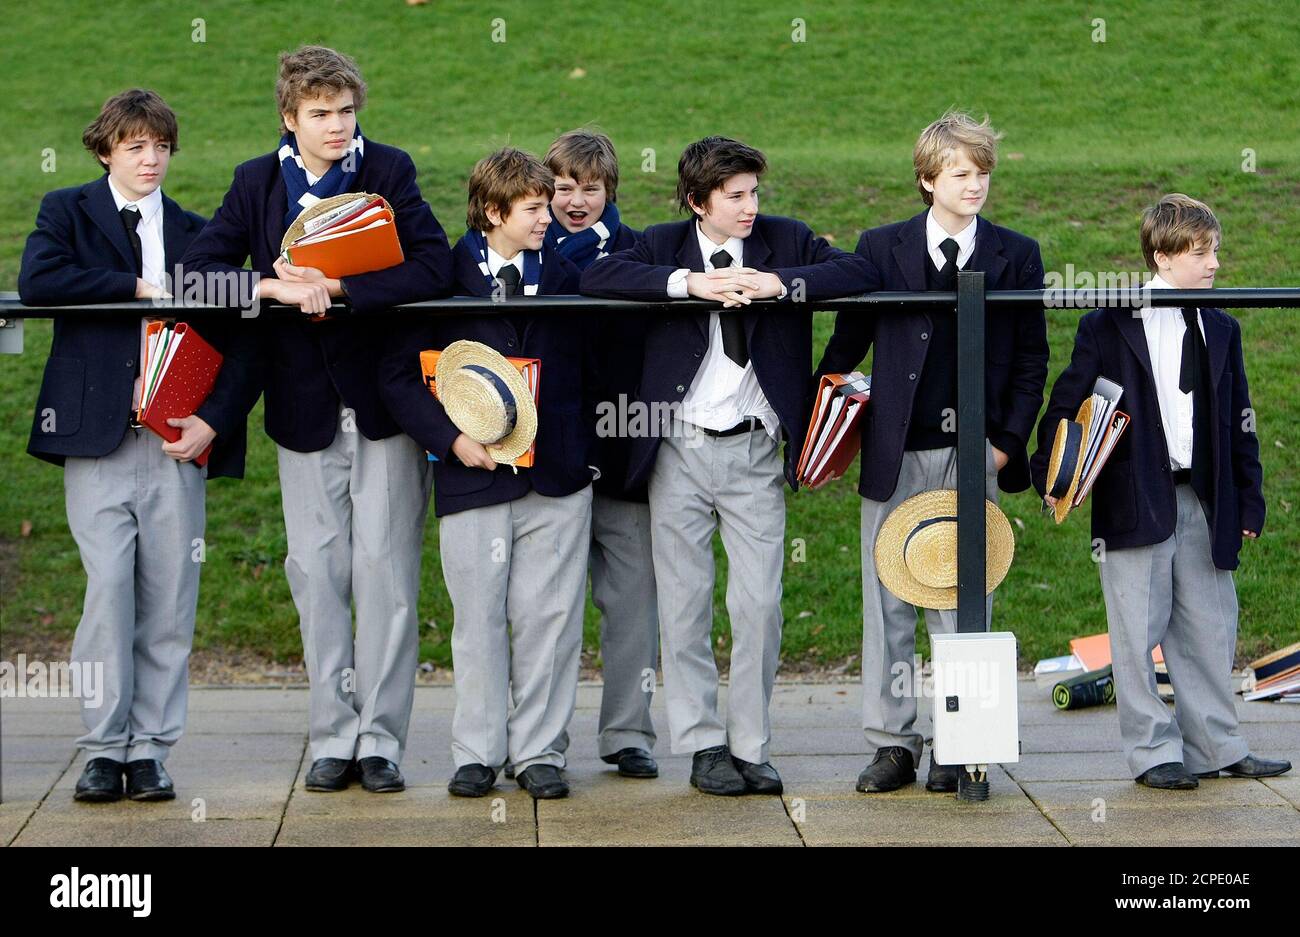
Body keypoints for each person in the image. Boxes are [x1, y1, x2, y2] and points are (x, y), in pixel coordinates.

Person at [181, 45, 454, 794]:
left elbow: (435, 267)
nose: (337, 126)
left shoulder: (388, 170)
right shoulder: (256, 182)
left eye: (346, 111)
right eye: (320, 113)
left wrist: (338, 286)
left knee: (387, 576)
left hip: (385, 408)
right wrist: (268, 287)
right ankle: (333, 736)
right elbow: (196, 274)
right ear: (289, 117)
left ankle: (381, 743)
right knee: (317, 575)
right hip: (300, 409)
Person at [582, 136, 872, 796]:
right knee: (684, 605)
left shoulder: (785, 239)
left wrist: (780, 283)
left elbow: (857, 272)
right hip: (677, 451)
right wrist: (688, 284)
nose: (750, 207)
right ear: (696, 201)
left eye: (754, 193)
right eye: (735, 196)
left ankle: (750, 743)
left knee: (759, 603)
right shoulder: (661, 245)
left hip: (755, 451)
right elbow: (596, 277)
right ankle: (702, 744)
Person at [18, 89, 260, 802]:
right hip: (97, 440)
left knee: (170, 601)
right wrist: (137, 287)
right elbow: (39, 280)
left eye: (160, 146)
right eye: (135, 147)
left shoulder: (198, 232)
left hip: (176, 442)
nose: (151, 159)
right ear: (105, 151)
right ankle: (103, 748)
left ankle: (151, 749)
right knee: (107, 594)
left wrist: (214, 420)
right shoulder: (66, 211)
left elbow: (244, 336)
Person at [813, 111, 1049, 794]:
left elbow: (1030, 358)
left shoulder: (1016, 253)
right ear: (927, 179)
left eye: (982, 173)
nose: (975, 185)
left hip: (972, 453)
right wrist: (824, 426)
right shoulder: (880, 247)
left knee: (962, 600)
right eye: (960, 173)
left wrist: (1006, 445)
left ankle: (961, 743)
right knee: (888, 602)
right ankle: (892, 743)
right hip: (894, 451)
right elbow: (846, 346)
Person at [1030, 193, 1289, 789]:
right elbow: (1068, 401)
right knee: (1136, 630)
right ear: (1164, 255)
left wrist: (1249, 498)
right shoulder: (1109, 323)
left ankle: (1217, 747)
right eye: (1201, 252)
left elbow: (1240, 420)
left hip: (1204, 497)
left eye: (1215, 250)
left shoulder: (1222, 326)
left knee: (1210, 626)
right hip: (1134, 495)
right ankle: (1152, 753)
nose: (1214, 263)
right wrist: (1051, 473)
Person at [380, 147, 595, 800]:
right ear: (494, 211)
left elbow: (600, 369)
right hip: (472, 479)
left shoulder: (571, 273)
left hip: (557, 476)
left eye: (546, 206)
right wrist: (451, 440)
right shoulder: (440, 277)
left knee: (551, 622)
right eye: (534, 208)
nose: (548, 218)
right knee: (476, 621)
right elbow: (396, 375)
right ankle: (476, 752)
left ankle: (540, 753)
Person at [543, 129, 658, 779]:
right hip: (549, 456)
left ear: (610, 190)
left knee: (633, 603)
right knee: (547, 610)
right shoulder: (527, 247)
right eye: (563, 188)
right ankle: (540, 741)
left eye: (591, 188)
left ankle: (628, 732)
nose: (576, 201)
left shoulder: (637, 251)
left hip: (623, 452)